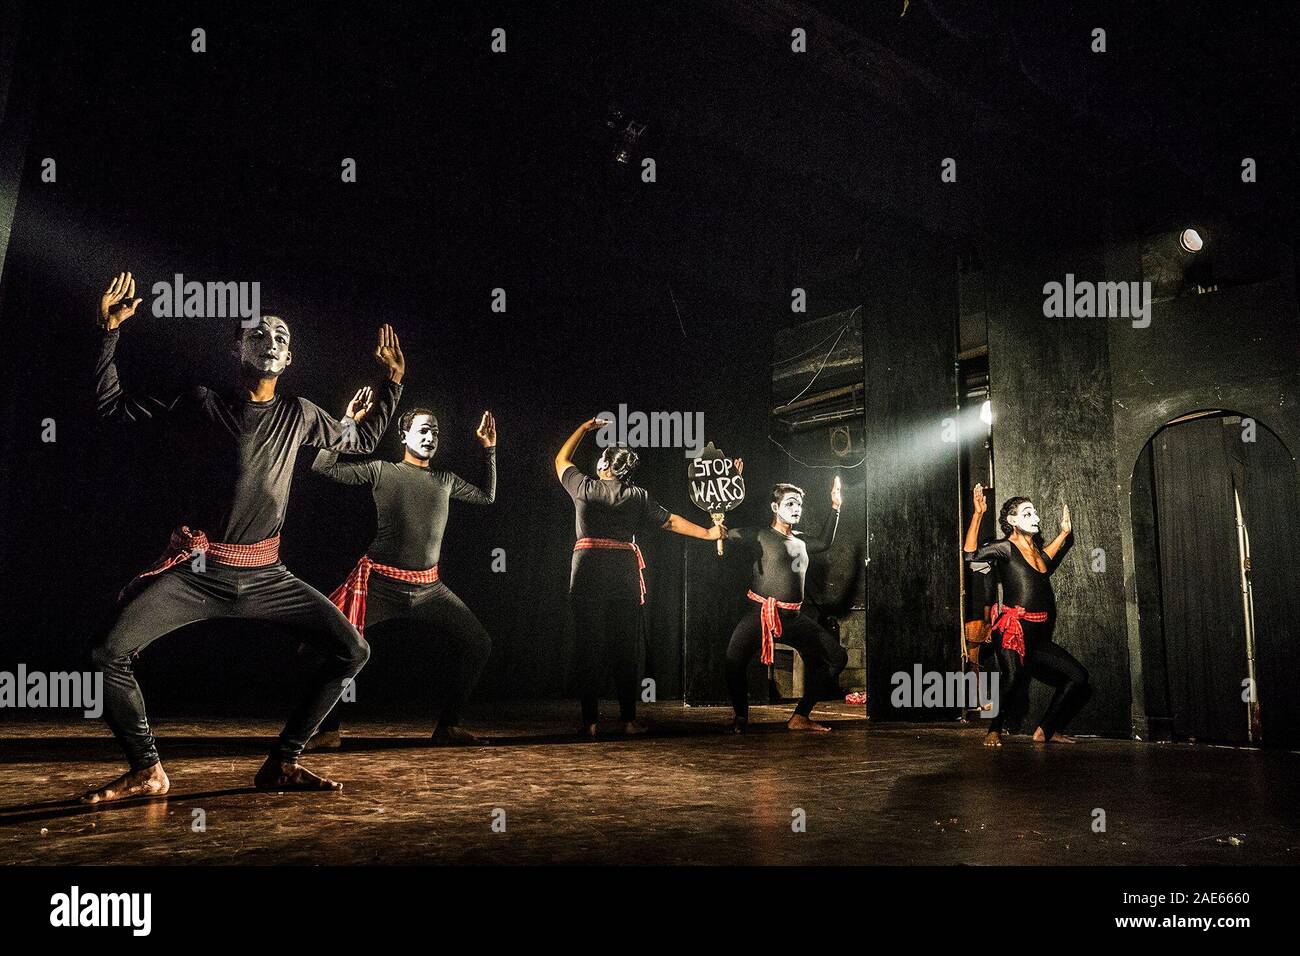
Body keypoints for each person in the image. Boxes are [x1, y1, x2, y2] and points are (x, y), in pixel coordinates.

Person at [83, 271, 404, 802]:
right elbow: (111, 406)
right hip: (201, 573)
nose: (272, 341)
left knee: (353, 651)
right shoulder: (202, 402)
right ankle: (148, 769)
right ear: (237, 347)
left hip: (267, 575)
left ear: (290, 358)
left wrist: (393, 383)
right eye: (259, 333)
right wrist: (109, 333)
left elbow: (361, 438)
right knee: (108, 652)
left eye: (282, 336)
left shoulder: (300, 414)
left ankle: (284, 762)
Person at [306, 407, 496, 748]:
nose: (430, 437)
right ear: (403, 435)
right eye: (423, 430)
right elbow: (323, 467)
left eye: (435, 432)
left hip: (430, 590)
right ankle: (330, 730)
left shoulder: (445, 480)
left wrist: (489, 449)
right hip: (381, 586)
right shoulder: (382, 470)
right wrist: (347, 424)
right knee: (328, 647)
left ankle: (448, 726)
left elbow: (487, 495)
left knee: (479, 643)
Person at [555, 417, 723, 736]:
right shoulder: (638, 496)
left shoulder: (584, 488)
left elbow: (561, 459)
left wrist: (584, 428)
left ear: (605, 464)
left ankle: (590, 723)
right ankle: (628, 720)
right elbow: (671, 522)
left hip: (589, 572)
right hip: (623, 574)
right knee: (624, 650)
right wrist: (708, 533)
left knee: (589, 649)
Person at [962, 483, 1092, 746]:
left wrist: (1065, 533)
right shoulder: (1005, 548)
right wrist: (978, 515)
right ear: (1012, 521)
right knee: (1013, 678)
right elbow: (970, 555)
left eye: (1035, 513)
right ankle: (994, 730)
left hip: (1038, 638)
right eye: (1028, 513)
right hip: (1011, 630)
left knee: (1078, 677)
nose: (1036, 518)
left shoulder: (1036, 554)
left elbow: (1046, 557)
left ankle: (1045, 729)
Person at [724, 474, 846, 733]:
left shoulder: (801, 540)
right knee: (734, 661)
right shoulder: (759, 535)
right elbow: (727, 533)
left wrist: (835, 506)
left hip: (793, 618)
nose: (796, 509)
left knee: (837, 658)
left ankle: (800, 716)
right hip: (761, 614)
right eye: (790, 503)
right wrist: (733, 485)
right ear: (774, 507)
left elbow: (825, 542)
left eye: (799, 504)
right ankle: (741, 717)